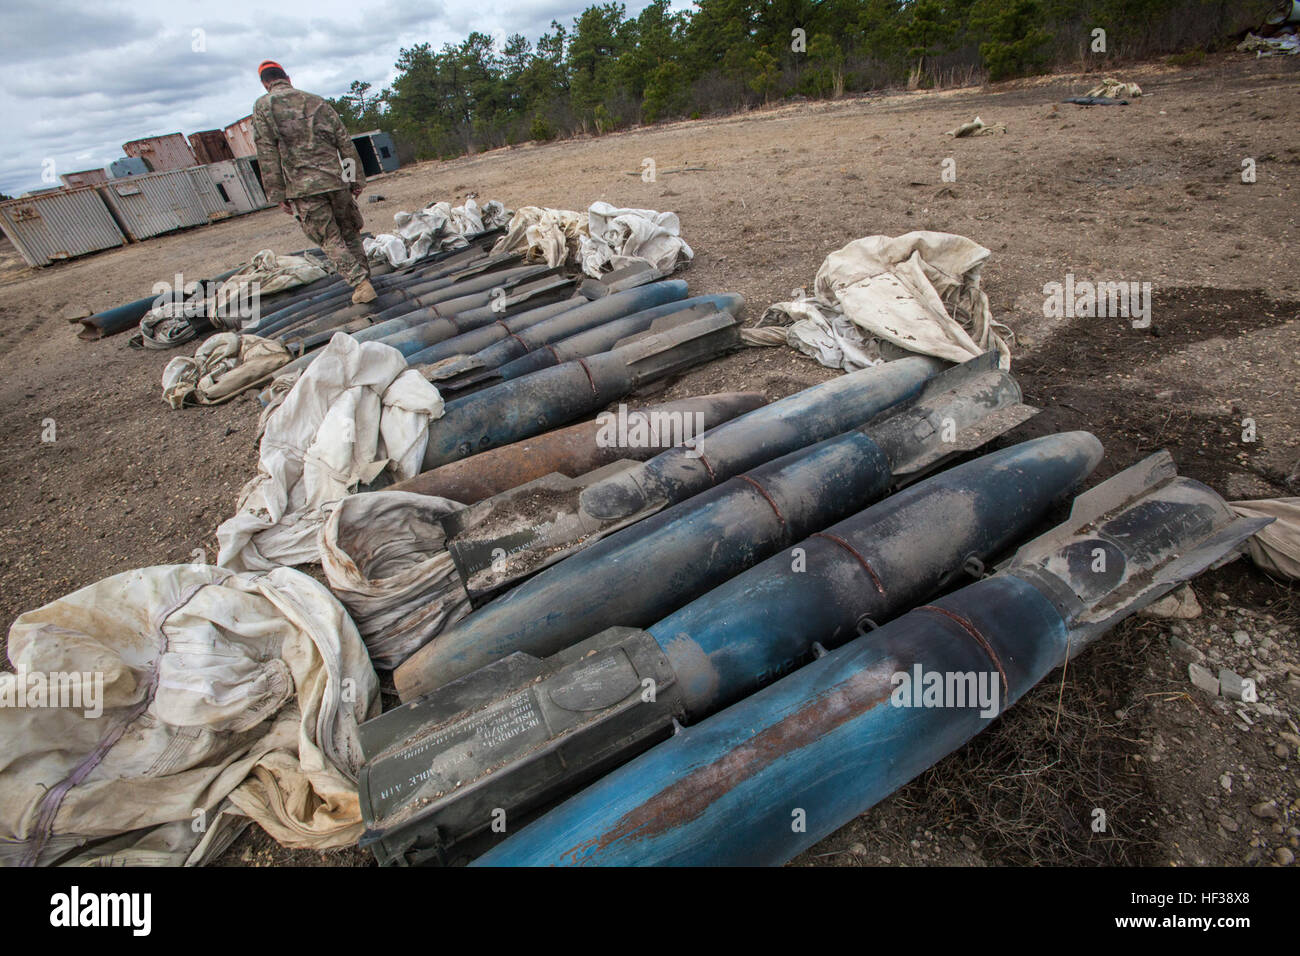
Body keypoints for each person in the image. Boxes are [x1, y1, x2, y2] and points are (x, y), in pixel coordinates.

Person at [251, 60, 377, 304]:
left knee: (330, 238)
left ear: (265, 83)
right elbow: (344, 142)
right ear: (287, 78)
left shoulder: (264, 106)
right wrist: (354, 179)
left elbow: (267, 152)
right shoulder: (317, 101)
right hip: (336, 180)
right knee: (350, 232)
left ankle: (361, 283)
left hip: (304, 188)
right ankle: (366, 278)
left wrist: (278, 194)